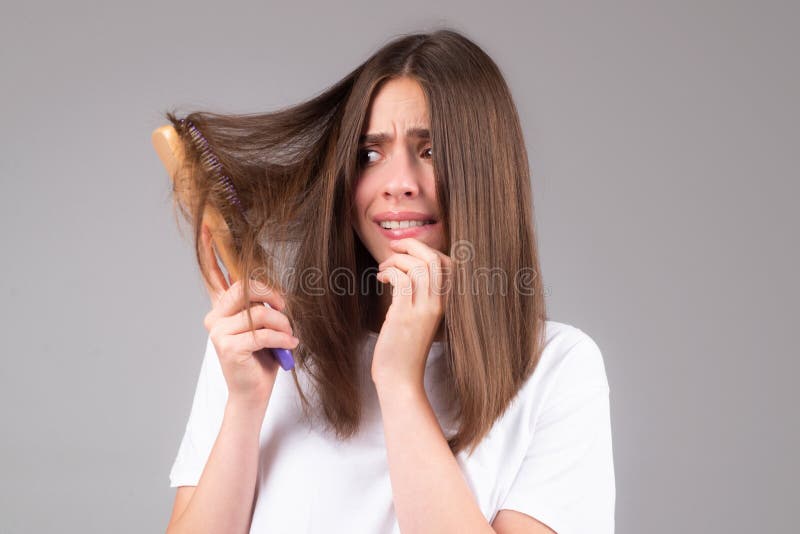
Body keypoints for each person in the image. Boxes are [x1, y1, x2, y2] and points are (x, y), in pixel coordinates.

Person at [164, 29, 615, 534]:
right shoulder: (261, 345)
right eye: (370, 154)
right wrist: (245, 406)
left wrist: (400, 384)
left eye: (431, 151)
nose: (397, 183)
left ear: (486, 174)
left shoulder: (557, 369)